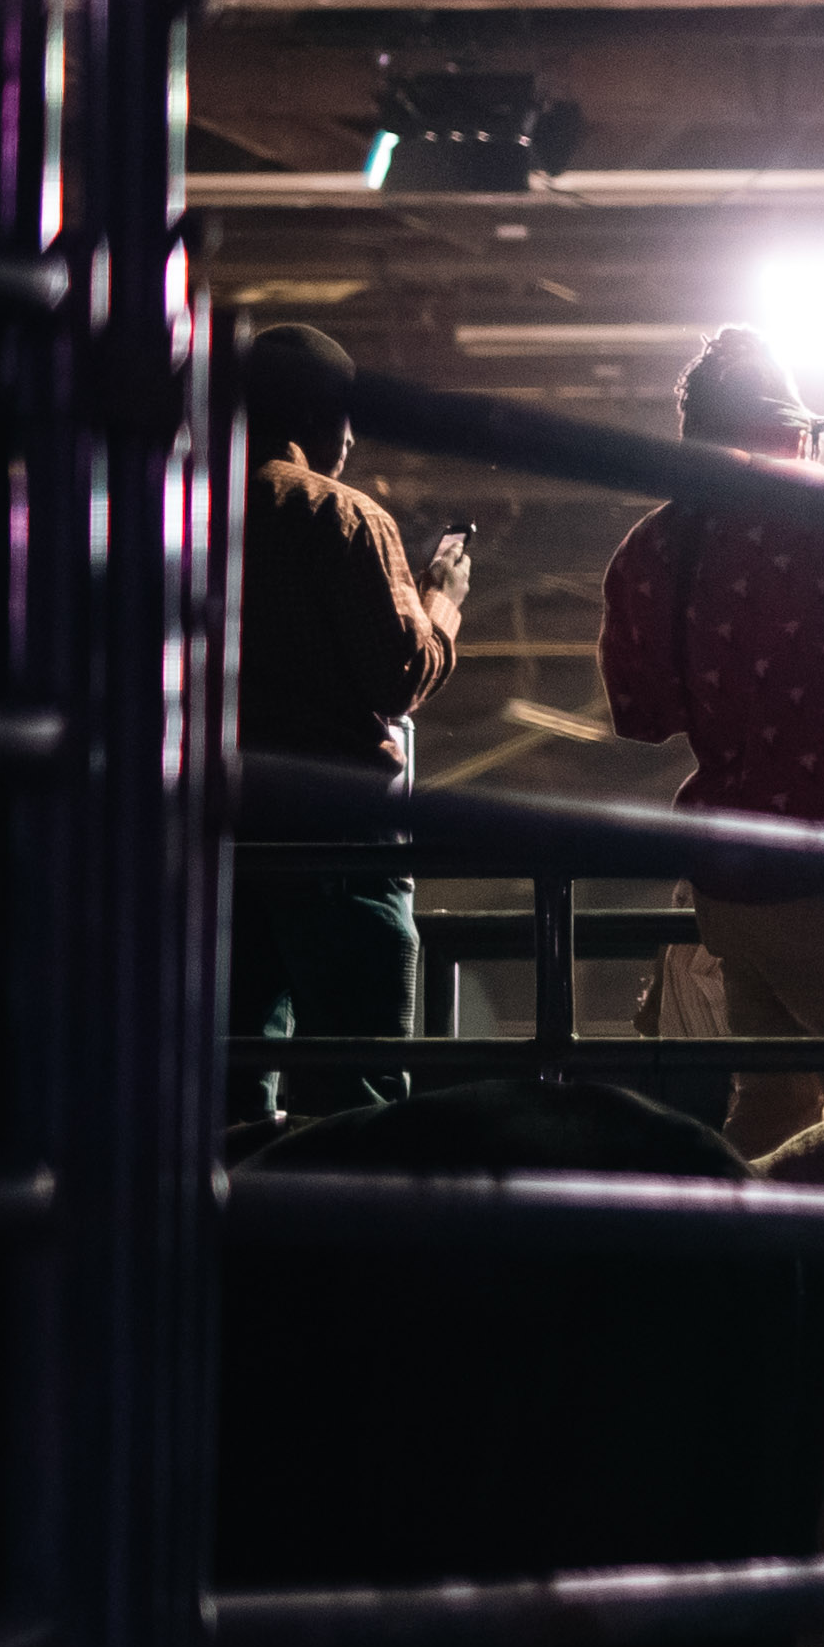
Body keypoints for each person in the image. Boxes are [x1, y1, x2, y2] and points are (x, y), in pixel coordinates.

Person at [598, 329, 824, 1156]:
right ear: (789, 431)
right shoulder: (821, 514)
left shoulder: (653, 549)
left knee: (771, 1115)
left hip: (736, 881)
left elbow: (638, 710)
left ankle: (749, 1275)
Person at [231, 322, 465, 1119]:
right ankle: (349, 1242)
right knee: (357, 1088)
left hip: (215, 828)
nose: (356, 435)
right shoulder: (341, 515)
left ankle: (239, 1238)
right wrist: (440, 606)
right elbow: (397, 674)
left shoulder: (184, 509)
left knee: (232, 1077)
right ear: (319, 413)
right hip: (336, 834)